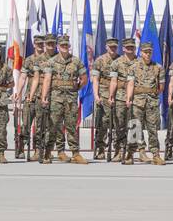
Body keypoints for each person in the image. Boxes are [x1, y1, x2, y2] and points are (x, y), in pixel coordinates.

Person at [40, 35, 87, 164]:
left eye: (66, 45)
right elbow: (47, 80)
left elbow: (84, 79)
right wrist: (44, 96)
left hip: (71, 99)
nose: (65, 47)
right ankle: (48, 153)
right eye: (62, 45)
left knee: (72, 126)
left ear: (69, 46)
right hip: (56, 98)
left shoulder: (76, 61)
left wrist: (76, 87)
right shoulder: (51, 62)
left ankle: (75, 153)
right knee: (53, 126)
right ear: (58, 47)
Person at [123, 40, 165, 165]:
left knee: (153, 129)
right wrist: (129, 98)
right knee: (134, 127)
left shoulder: (158, 68)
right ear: (141, 52)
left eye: (149, 52)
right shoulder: (133, 67)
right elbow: (130, 84)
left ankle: (156, 155)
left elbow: (161, 86)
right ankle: (130, 154)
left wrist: (153, 94)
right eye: (145, 52)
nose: (147, 54)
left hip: (151, 102)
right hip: (137, 102)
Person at [108, 38, 138, 161]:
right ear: (123, 48)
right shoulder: (116, 63)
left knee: (135, 124)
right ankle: (119, 150)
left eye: (132, 47)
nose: (130, 49)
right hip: (120, 97)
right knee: (119, 124)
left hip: (137, 97)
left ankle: (132, 152)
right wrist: (111, 96)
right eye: (128, 47)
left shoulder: (140, 62)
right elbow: (113, 81)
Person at [91, 36, 120, 159]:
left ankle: (117, 149)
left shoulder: (120, 60)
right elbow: (95, 79)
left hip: (118, 94)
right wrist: (96, 95)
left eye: (114, 47)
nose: (112, 49)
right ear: (106, 47)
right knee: (102, 123)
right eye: (110, 47)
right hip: (103, 93)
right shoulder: (100, 61)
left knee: (117, 122)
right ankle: (101, 148)